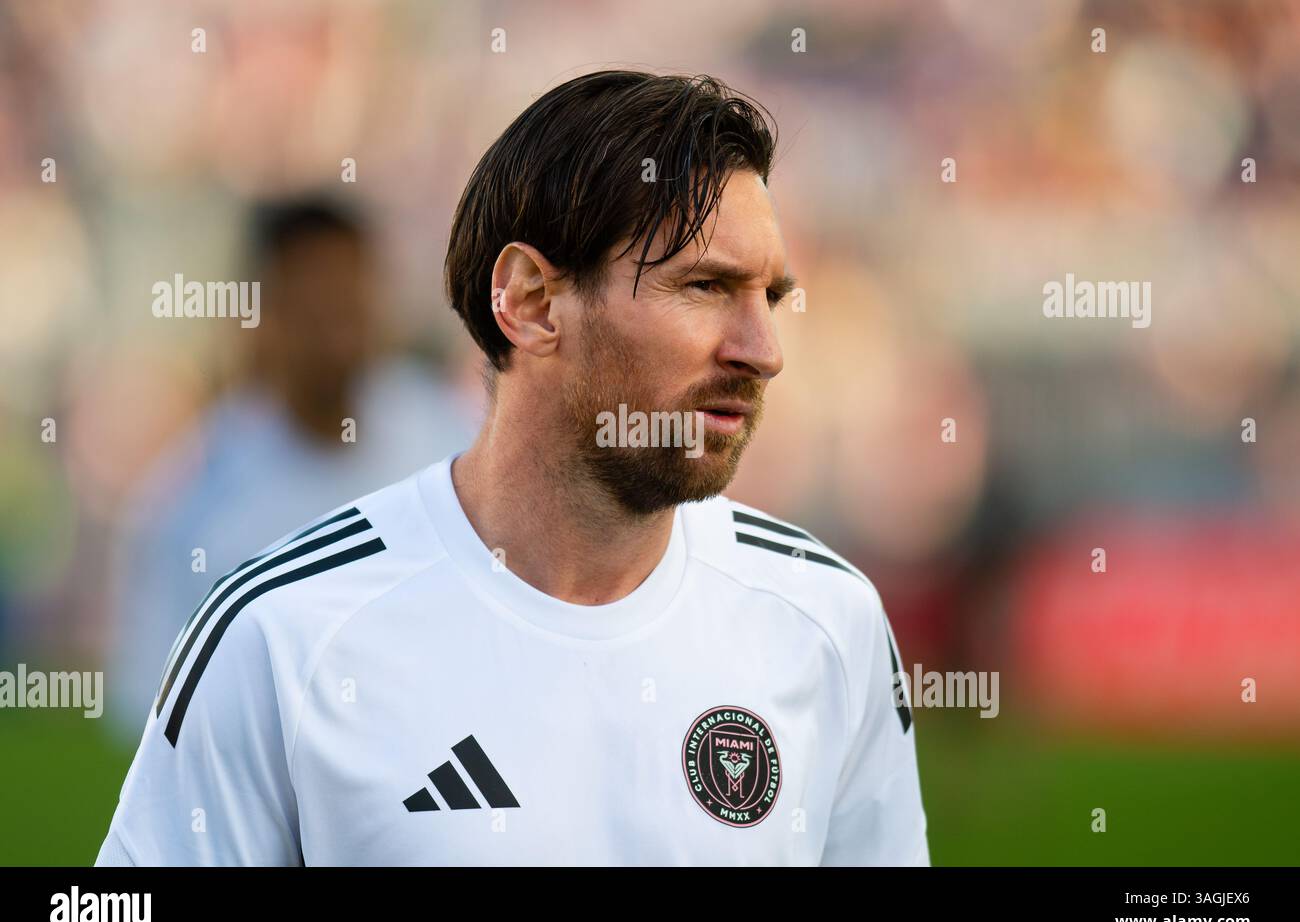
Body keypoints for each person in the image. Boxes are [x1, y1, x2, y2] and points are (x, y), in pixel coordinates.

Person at [97, 70, 928, 865]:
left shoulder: (826, 623)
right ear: (530, 302)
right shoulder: (283, 634)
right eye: (707, 287)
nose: (764, 351)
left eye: (771, 298)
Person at [102, 199, 478, 741]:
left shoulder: (455, 440)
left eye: (348, 291)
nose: (334, 321)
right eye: (309, 297)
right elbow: (156, 709)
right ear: (264, 314)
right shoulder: (194, 502)